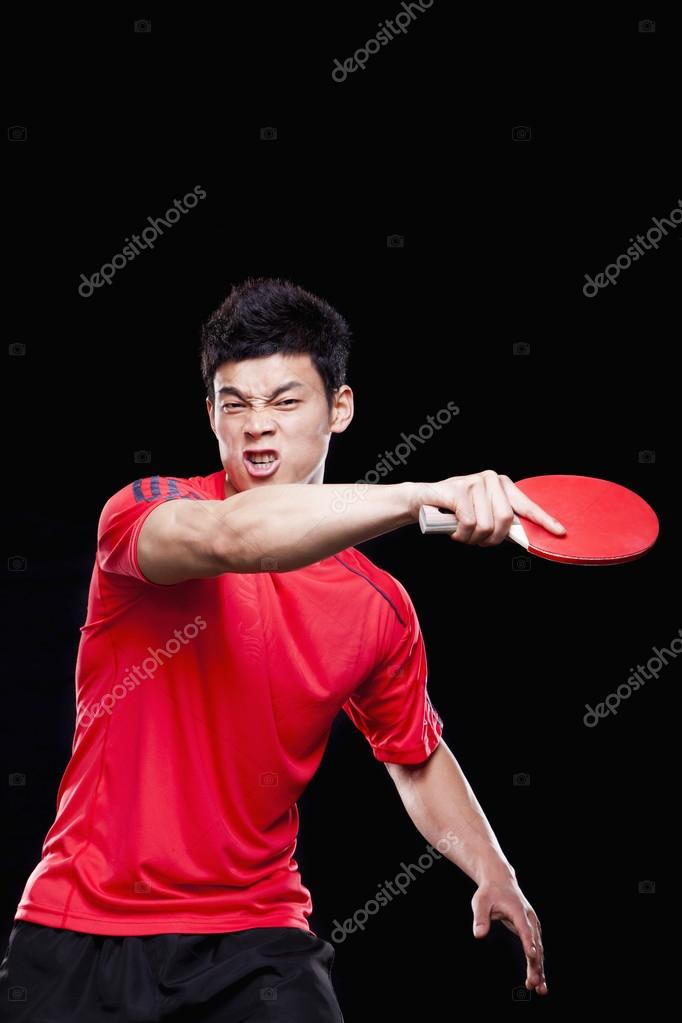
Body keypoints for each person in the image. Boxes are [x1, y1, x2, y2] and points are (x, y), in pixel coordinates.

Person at [1, 277, 556, 1021]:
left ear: (341, 408)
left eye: (287, 401)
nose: (258, 427)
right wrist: (424, 495)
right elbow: (242, 538)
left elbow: (414, 753)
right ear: (211, 416)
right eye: (236, 404)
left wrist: (492, 866)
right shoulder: (146, 516)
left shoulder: (377, 606)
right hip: (83, 930)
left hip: (256, 940)